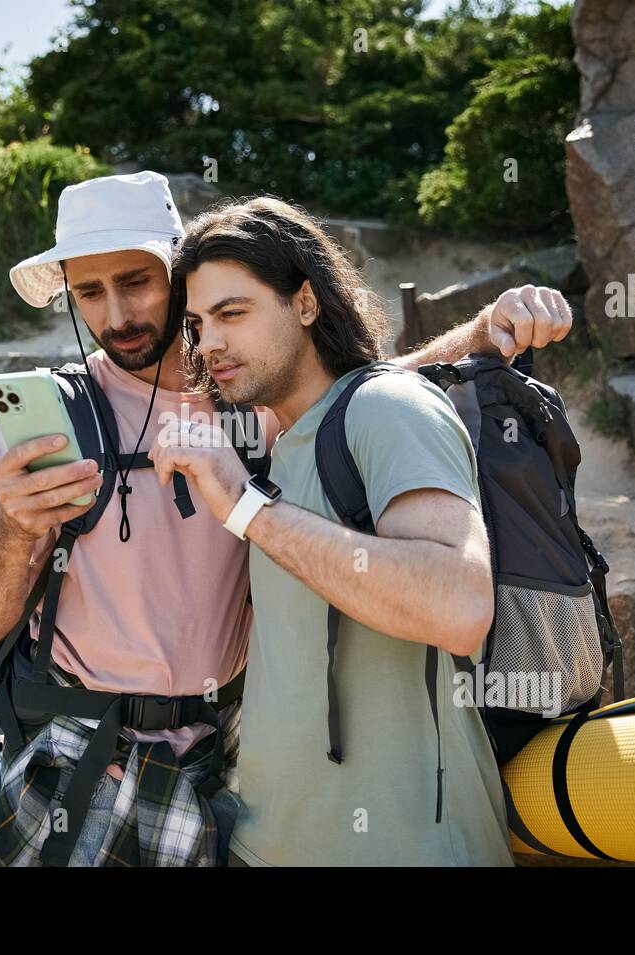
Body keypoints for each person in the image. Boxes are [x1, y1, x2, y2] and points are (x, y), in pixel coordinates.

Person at [0, 173, 573, 866]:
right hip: (89, 766)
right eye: (89, 293)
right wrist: (14, 527)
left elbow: (359, 396)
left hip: (226, 776)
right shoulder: (34, 432)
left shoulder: (252, 394)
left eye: (136, 282)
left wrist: (478, 338)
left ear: (180, 277)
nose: (116, 313)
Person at [152, 196, 573, 865]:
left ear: (307, 303)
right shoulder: (289, 441)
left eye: (233, 312)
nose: (211, 343)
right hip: (268, 846)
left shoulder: (385, 409)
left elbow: (458, 606)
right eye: (198, 324)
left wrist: (242, 506)